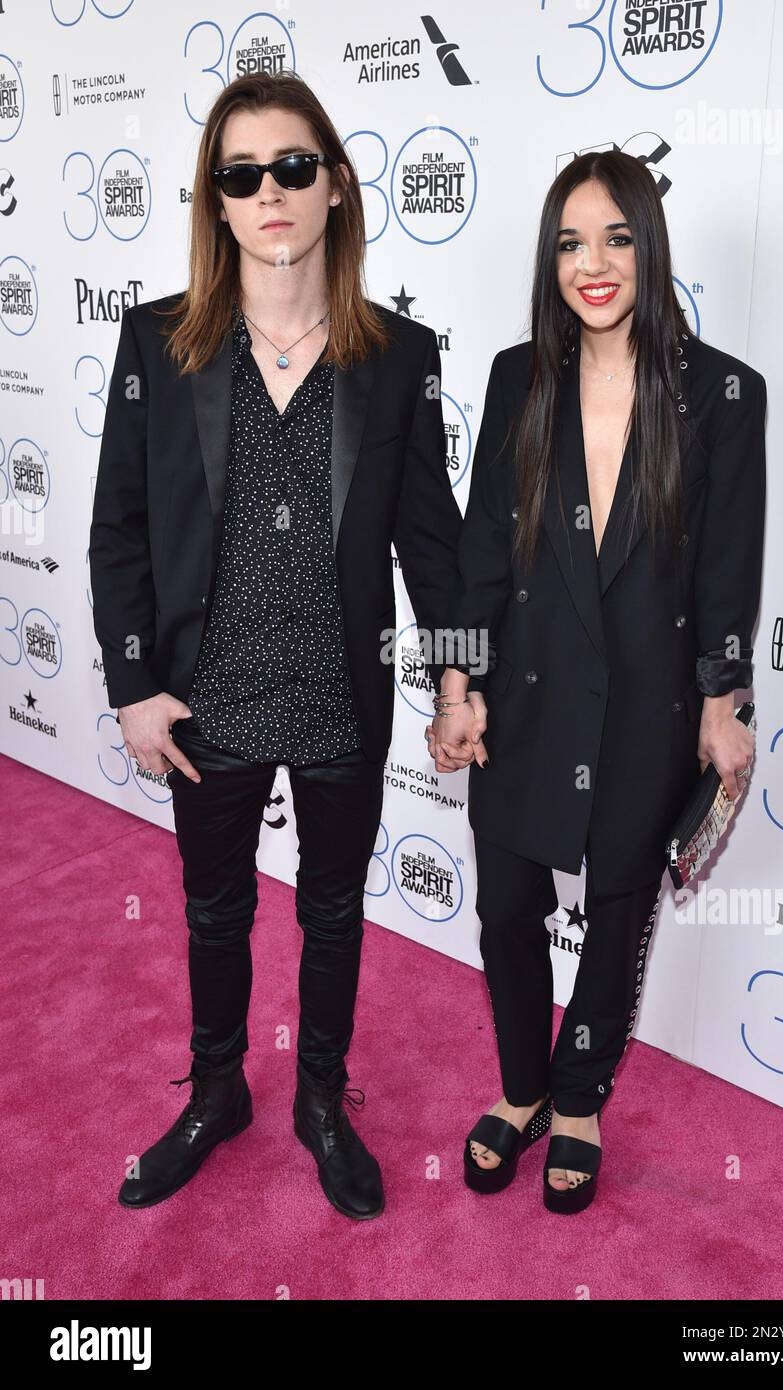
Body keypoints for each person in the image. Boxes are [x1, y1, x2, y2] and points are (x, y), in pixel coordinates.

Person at [89, 71, 463, 1221]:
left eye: (292, 167)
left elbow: (435, 542)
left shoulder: (398, 356)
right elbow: (120, 529)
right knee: (214, 911)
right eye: (240, 175)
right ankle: (216, 1094)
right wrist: (135, 685)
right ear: (216, 199)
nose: (269, 193)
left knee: (334, 910)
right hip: (207, 694)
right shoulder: (161, 342)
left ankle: (317, 1099)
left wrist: (457, 677)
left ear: (336, 187)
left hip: (341, 694)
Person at [429, 150, 767, 1213]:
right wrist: (455, 683)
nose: (593, 262)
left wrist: (724, 704)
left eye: (616, 236)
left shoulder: (720, 393)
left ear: (648, 245)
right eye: (570, 241)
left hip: (646, 705)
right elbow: (482, 553)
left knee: (616, 917)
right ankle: (523, 1086)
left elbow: (726, 571)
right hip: (523, 695)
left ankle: (578, 1101)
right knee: (505, 913)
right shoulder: (516, 375)